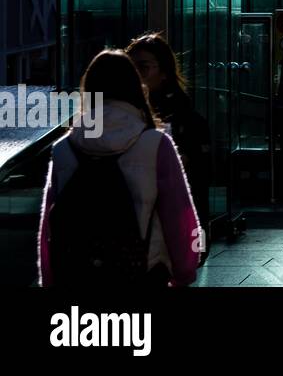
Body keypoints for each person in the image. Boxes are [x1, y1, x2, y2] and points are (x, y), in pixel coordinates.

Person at [39, 49, 202, 287]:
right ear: (136, 88)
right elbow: (180, 216)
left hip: (77, 273)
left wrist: (49, 277)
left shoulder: (63, 149)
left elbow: (48, 225)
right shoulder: (156, 145)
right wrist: (184, 270)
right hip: (143, 272)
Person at [125, 31, 212, 228]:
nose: (135, 75)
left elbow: (198, 176)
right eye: (130, 68)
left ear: (164, 72)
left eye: (143, 67)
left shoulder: (185, 117)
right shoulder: (118, 112)